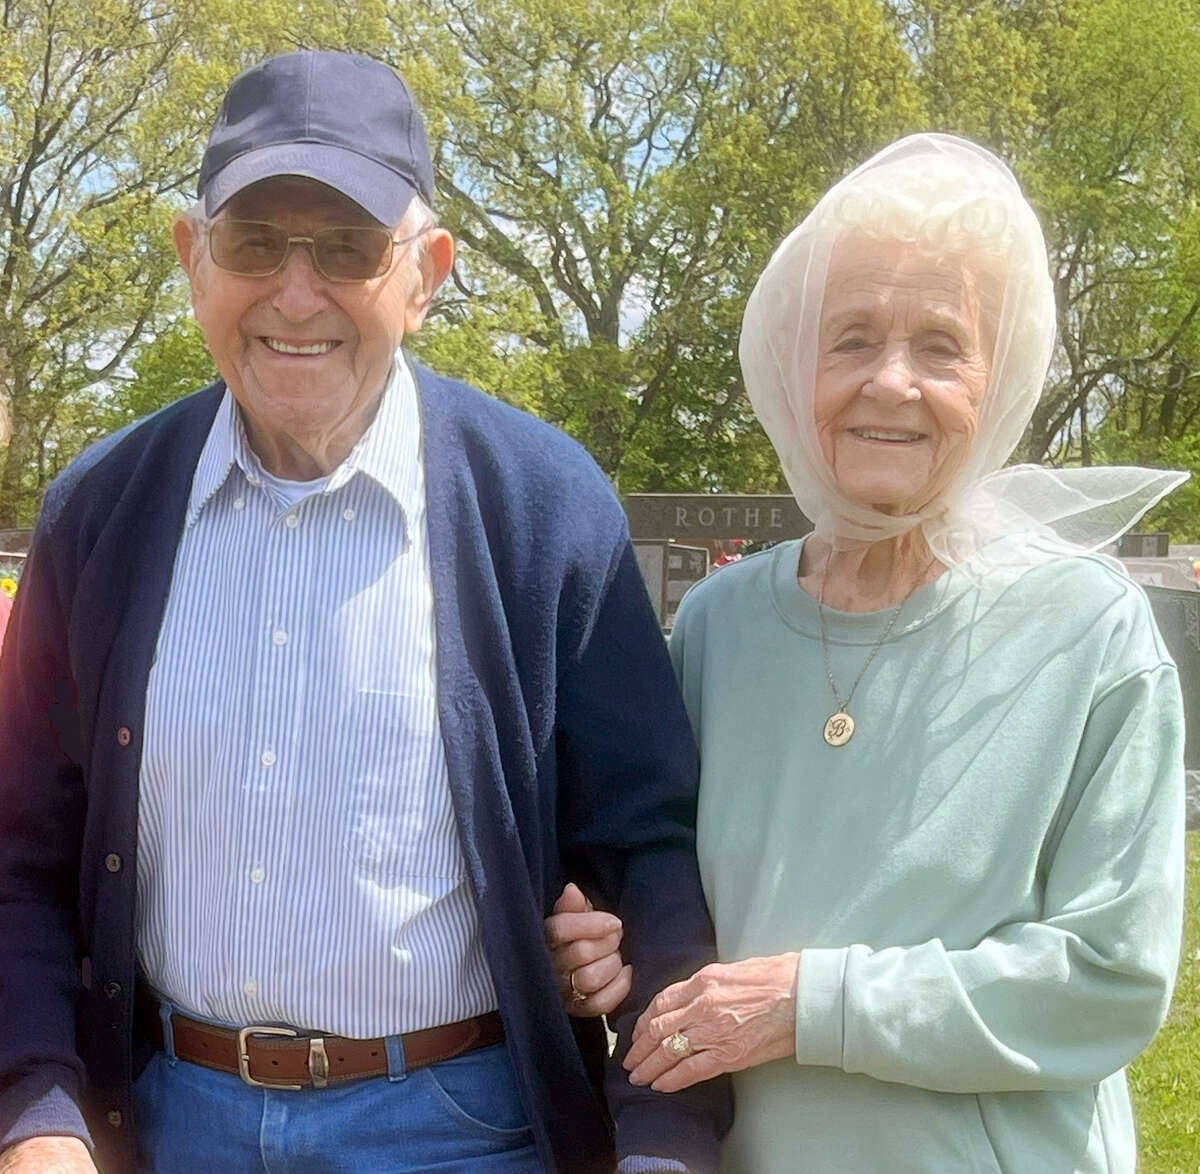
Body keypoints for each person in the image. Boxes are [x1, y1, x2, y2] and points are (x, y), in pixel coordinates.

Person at [0, 50, 731, 1174]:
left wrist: (666, 1141)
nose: (298, 294)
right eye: (255, 244)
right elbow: (23, 856)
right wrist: (38, 1108)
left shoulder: (543, 508)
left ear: (424, 272)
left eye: (347, 246)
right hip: (167, 1124)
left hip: (463, 1132)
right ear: (194, 259)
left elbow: (647, 855)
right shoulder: (98, 515)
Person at [547, 133, 1187, 1172]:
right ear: (794, 370)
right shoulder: (717, 625)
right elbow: (663, 903)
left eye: (942, 344)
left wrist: (813, 1005)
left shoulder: (1090, 631)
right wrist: (596, 952)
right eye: (850, 339)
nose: (892, 381)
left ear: (1001, 376)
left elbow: (1109, 979)